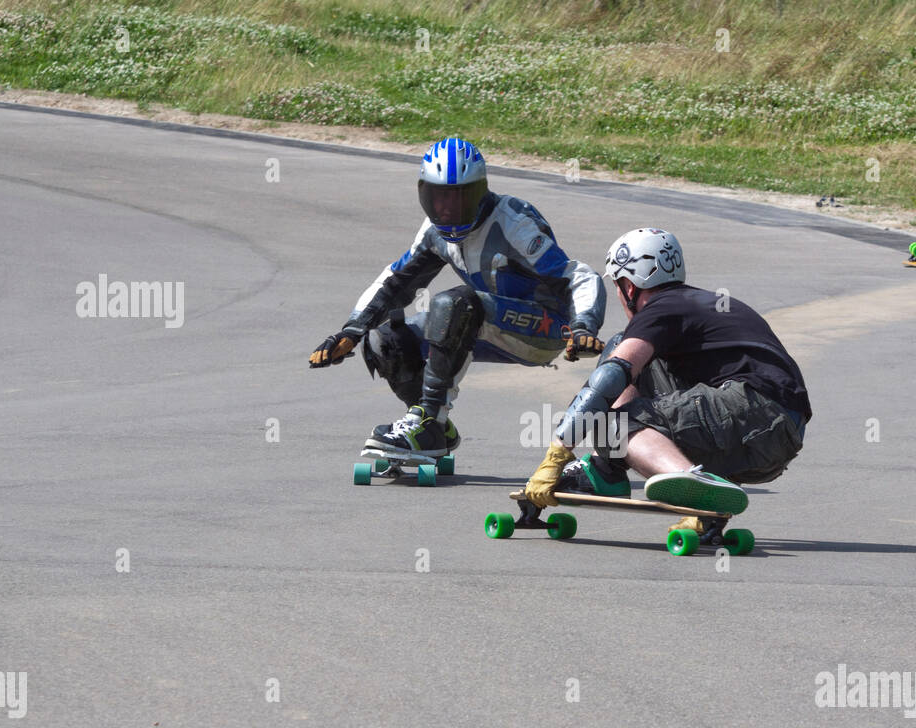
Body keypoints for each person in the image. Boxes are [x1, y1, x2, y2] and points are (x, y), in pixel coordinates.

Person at [309, 137, 607, 456]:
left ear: (480, 193)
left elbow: (577, 276)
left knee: (455, 303)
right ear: (423, 194)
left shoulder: (512, 221)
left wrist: (583, 327)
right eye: (437, 199)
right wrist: (352, 330)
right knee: (386, 340)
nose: (448, 210)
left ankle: (429, 423)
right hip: (485, 324)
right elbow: (396, 281)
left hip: (545, 329)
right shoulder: (434, 232)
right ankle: (433, 429)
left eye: (459, 199)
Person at [524, 227, 811, 518]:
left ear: (630, 286)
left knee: (608, 420)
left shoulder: (662, 308)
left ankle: (691, 484)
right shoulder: (705, 306)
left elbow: (608, 379)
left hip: (749, 408)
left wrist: (556, 455)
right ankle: (611, 470)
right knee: (628, 353)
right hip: (782, 437)